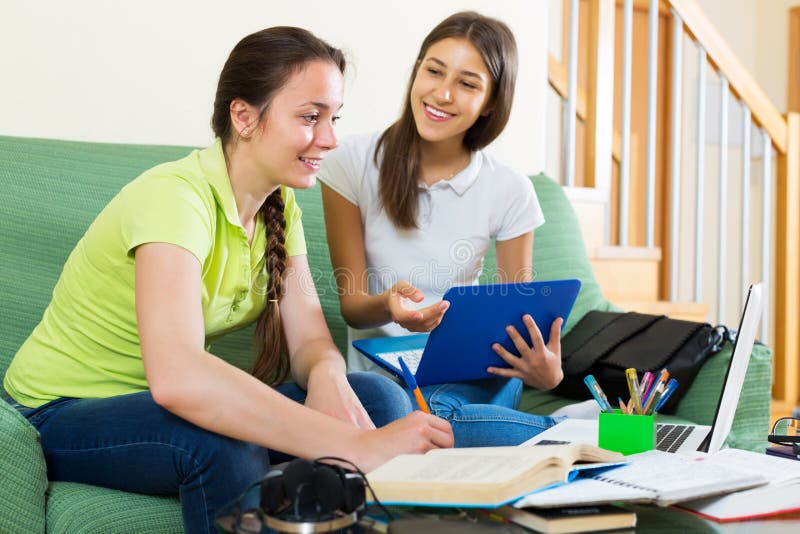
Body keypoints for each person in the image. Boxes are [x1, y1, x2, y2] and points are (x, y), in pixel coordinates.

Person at [2, 27, 453, 533]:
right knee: (224, 442)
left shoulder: (280, 204)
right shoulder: (175, 198)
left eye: (334, 118)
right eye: (311, 117)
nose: (330, 138)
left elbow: (309, 341)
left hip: (156, 408)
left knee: (376, 398)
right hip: (62, 412)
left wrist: (328, 377)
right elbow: (179, 377)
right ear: (244, 117)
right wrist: (352, 444)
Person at [319, 11, 565, 447]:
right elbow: (353, 307)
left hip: (473, 373)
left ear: (491, 102)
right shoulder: (350, 163)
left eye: (467, 84)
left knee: (427, 417)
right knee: (406, 413)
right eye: (434, 71)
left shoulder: (509, 189)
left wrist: (546, 371)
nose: (443, 93)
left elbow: (515, 313)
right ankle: (559, 434)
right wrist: (391, 306)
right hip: (384, 379)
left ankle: (561, 435)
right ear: (417, 71)